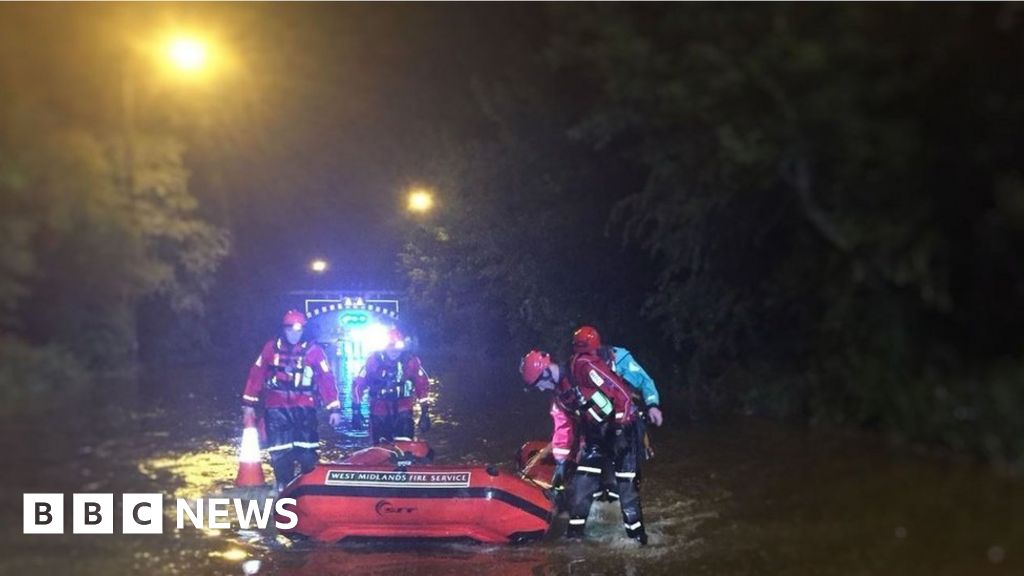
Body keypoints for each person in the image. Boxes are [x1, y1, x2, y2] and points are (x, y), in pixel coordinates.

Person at [519, 349, 649, 545]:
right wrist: (562, 463)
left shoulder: (582, 367)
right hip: (597, 437)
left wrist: (621, 428)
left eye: (539, 383)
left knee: (626, 492)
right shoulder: (560, 395)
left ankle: (639, 542)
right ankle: (574, 540)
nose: (540, 389)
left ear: (546, 372)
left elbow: (620, 392)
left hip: (624, 431)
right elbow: (564, 428)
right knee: (581, 489)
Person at [242, 310, 343, 491]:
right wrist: (249, 403)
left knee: (306, 451)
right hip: (276, 407)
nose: (295, 334)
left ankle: (307, 487)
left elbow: (326, 379)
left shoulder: (314, 351)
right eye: (291, 330)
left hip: (304, 407)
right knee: (280, 451)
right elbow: (256, 374)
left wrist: (334, 408)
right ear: (284, 329)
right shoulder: (271, 348)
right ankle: (283, 485)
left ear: (304, 330)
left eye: (298, 330)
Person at [351, 328, 431, 443]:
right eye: (390, 347)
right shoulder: (373, 361)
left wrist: (425, 411)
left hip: (403, 408)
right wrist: (356, 410)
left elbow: (422, 385)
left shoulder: (411, 362)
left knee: (405, 437)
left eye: (397, 347)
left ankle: (406, 456)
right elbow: (359, 384)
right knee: (380, 443)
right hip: (379, 409)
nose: (394, 350)